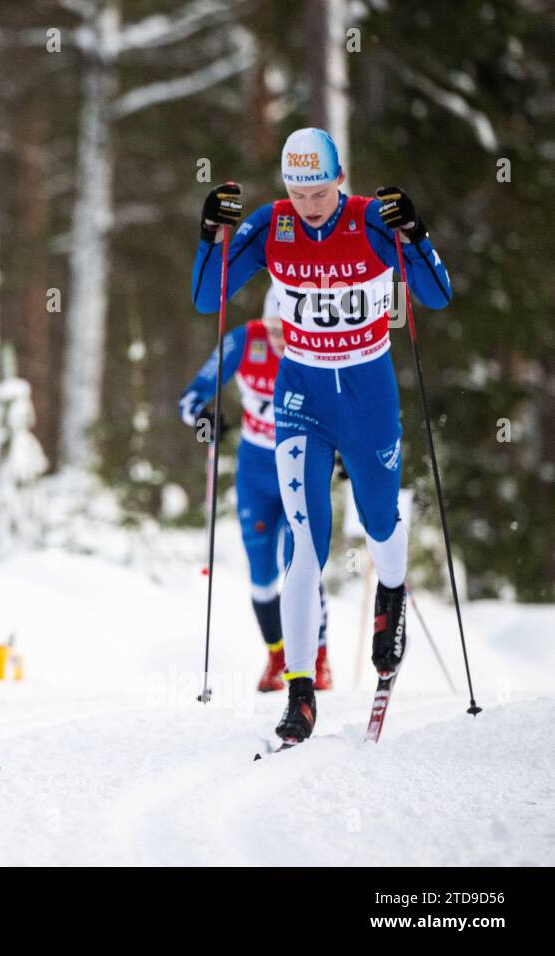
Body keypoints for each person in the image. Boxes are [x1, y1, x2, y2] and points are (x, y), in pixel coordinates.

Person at [190, 128, 452, 745]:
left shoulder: (368, 220)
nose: (308, 205)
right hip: (301, 398)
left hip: (367, 396)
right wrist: (209, 235)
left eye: (318, 190)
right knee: (304, 547)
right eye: (296, 191)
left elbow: (436, 295)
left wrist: (414, 235)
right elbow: (210, 297)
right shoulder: (272, 225)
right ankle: (301, 693)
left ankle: (392, 589)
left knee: (379, 519)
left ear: (341, 179)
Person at [178, 291, 331, 693]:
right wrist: (203, 417)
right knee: (261, 575)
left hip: (302, 464)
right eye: (274, 329)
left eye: (288, 330)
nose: (280, 339)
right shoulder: (246, 339)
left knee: (300, 562)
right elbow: (192, 395)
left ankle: (317, 659)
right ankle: (277, 657)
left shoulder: (319, 346)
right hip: (257, 469)